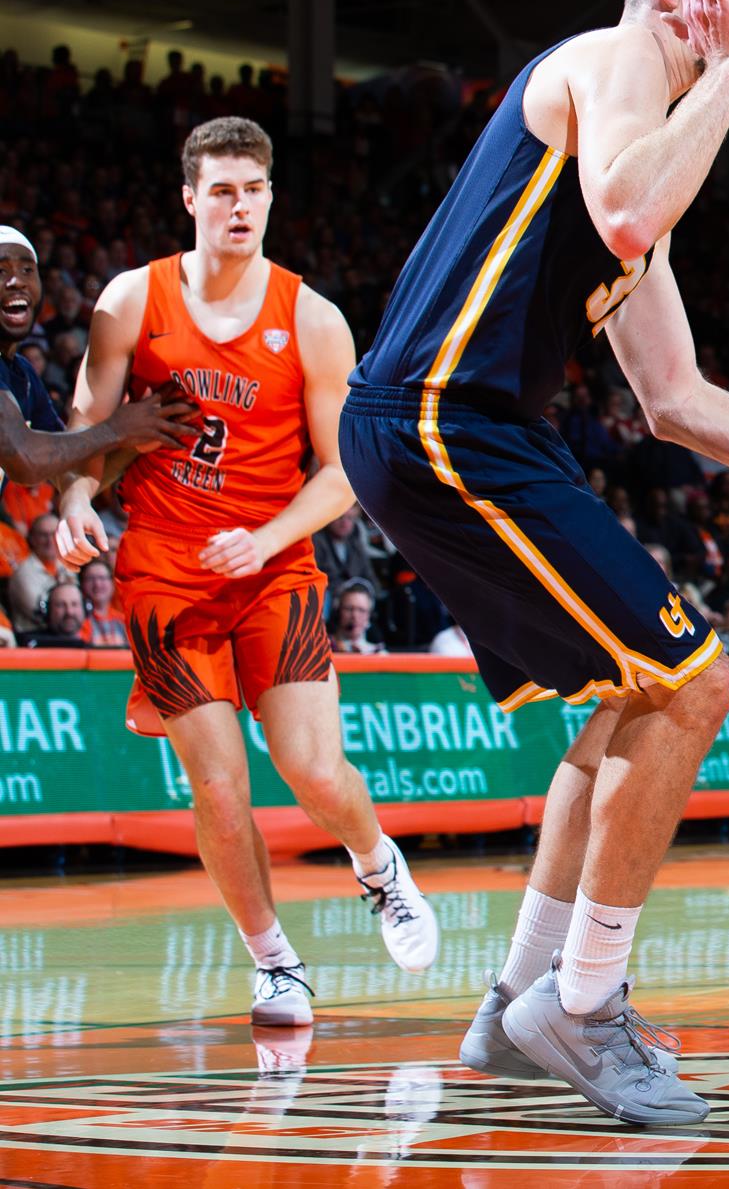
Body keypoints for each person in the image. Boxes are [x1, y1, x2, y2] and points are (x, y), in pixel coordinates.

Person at [337, 0, 729, 1125]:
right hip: (445, 419)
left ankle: (512, 1007)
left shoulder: (635, 149)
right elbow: (624, 213)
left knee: (632, 698)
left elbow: (676, 401)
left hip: (453, 428)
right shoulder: (609, 67)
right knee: (697, 682)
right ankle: (585, 1003)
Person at [56, 117, 439, 1035]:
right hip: (161, 572)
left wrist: (266, 539)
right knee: (220, 788)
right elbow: (86, 427)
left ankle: (378, 864)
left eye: (255, 189)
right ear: (190, 197)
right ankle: (276, 963)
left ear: (272, 196)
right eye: (222, 190)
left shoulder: (311, 317)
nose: (240, 206)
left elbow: (345, 472)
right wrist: (75, 501)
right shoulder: (128, 301)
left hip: (273, 569)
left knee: (310, 768)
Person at [0, 225, 197, 510]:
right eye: (1, 271)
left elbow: (67, 469)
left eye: (28, 270)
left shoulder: (23, 374)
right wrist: (116, 429)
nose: (17, 281)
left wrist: (137, 438)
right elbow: (25, 459)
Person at [21, 576, 88, 649]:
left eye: (74, 604)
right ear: (47, 610)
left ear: (85, 609)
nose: (69, 612)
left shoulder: (95, 642)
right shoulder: (29, 645)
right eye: (61, 605)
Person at [329, 579, 383, 655]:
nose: (355, 616)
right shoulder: (323, 648)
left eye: (361, 610)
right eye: (349, 609)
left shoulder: (379, 654)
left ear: (370, 615)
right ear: (338, 611)